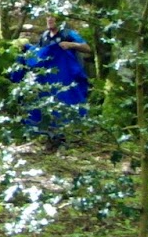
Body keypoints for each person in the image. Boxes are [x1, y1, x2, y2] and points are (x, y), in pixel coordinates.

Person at [11, 15, 90, 149]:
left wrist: (71, 45)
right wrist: (26, 48)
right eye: (48, 18)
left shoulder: (68, 33)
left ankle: (70, 133)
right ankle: (50, 135)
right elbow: (39, 53)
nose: (50, 20)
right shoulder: (45, 36)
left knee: (67, 100)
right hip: (49, 80)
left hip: (67, 76)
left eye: (53, 18)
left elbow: (87, 48)